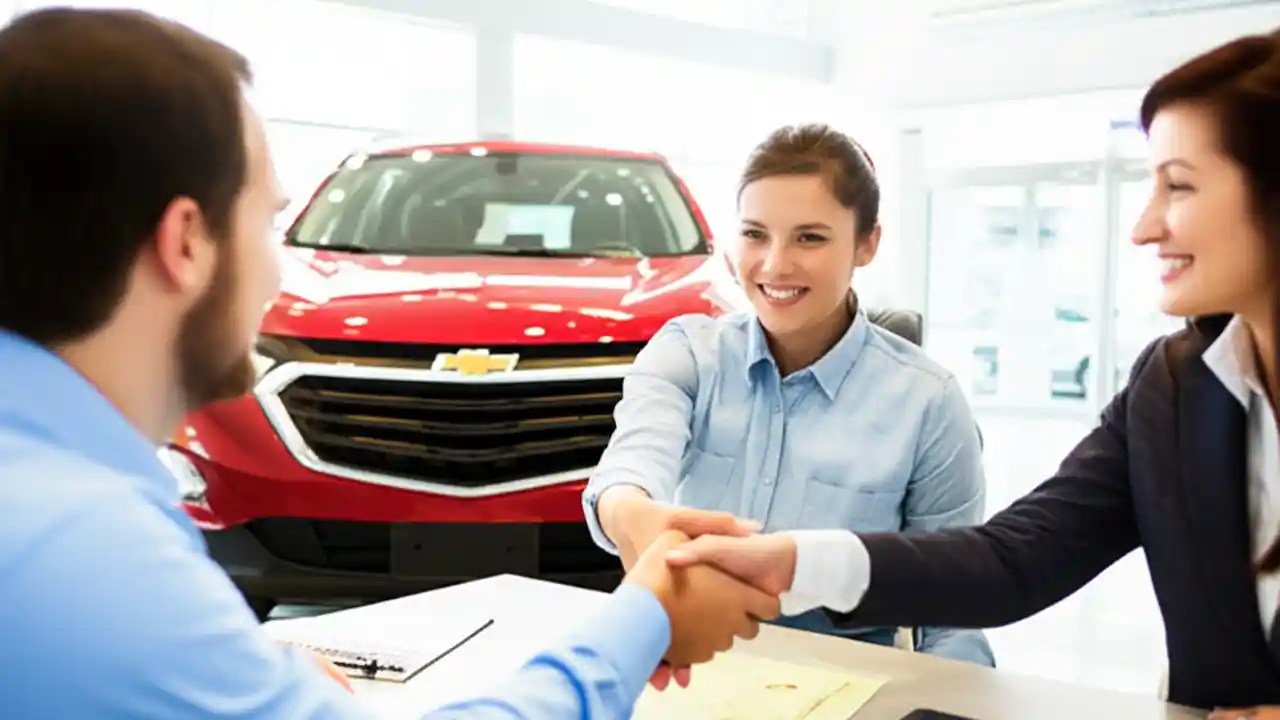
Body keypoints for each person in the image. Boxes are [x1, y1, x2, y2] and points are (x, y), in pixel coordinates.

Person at [0, 8, 781, 719]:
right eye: (268, 221)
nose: (278, 270)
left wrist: (238, 669)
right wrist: (646, 617)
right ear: (187, 243)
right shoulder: (87, 555)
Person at [660, 29, 1280, 716]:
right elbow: (1016, 559)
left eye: (1180, 187)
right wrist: (796, 565)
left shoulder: (926, 397)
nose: (1143, 227)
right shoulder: (1175, 390)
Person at [582, 124, 994, 666]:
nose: (775, 265)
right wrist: (631, 511)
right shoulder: (688, 351)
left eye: (810, 237)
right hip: (696, 669)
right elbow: (629, 466)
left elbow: (954, 605)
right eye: (755, 234)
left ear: (867, 244)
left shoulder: (929, 403)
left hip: (847, 679)